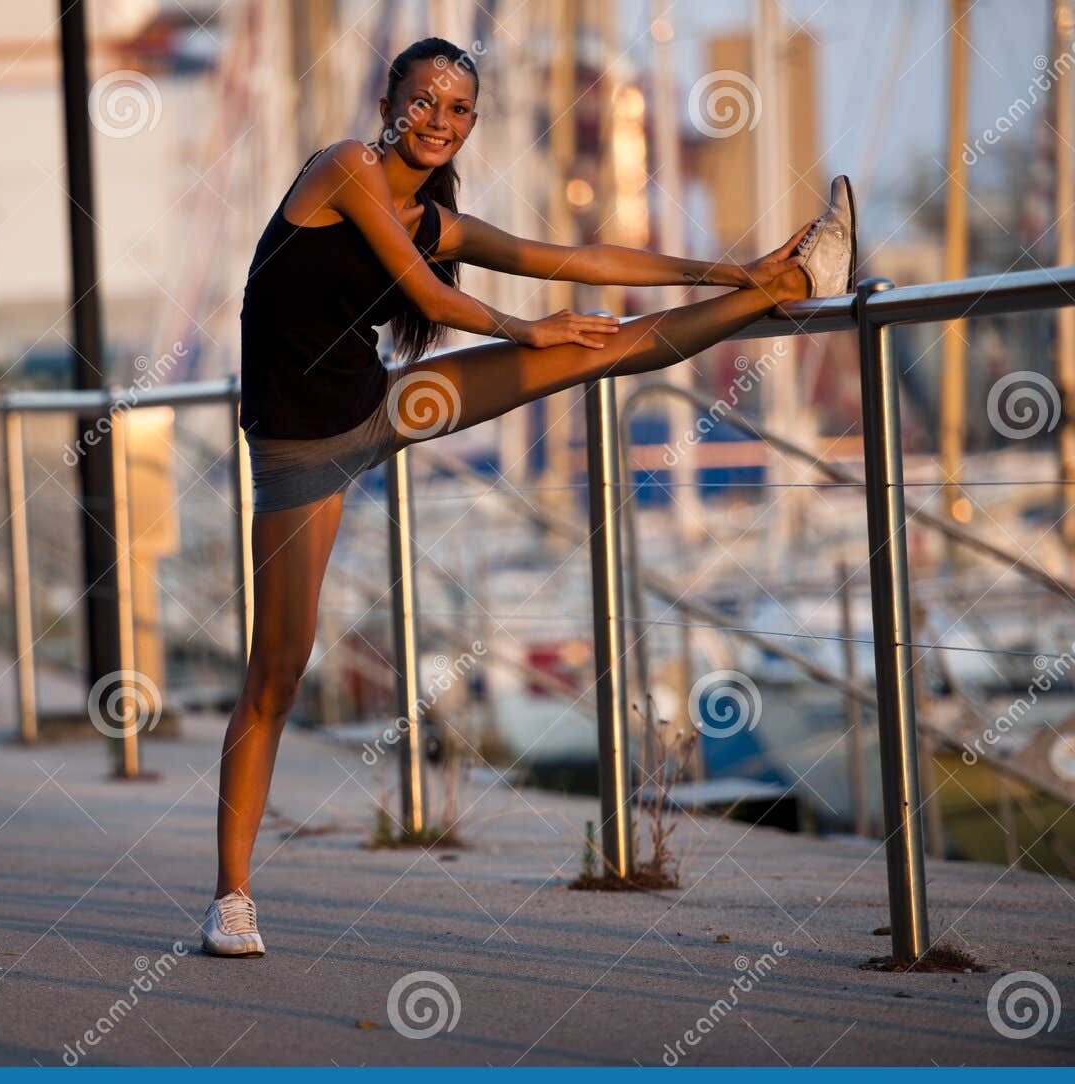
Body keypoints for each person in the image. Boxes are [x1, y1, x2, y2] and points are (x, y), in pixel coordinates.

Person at [202, 36, 856, 957]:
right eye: (424, 102)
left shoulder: (437, 218)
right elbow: (420, 288)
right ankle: (230, 896)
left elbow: (578, 260)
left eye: (460, 110)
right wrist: (521, 326)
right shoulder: (342, 168)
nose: (440, 122)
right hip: (299, 450)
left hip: (385, 406)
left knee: (602, 344)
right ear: (389, 104)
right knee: (276, 673)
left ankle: (791, 281)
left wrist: (733, 269)